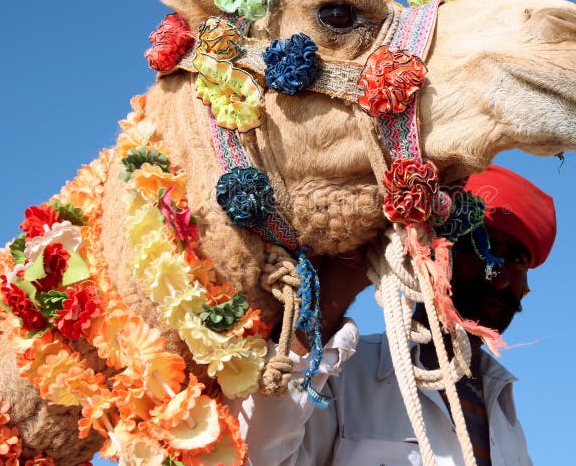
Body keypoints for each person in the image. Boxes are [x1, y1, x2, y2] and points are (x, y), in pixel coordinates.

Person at [237, 165, 557, 466]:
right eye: (479, 246)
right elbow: (258, 454)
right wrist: (339, 285)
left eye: (516, 260)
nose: (499, 277)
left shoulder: (506, 418)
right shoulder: (341, 375)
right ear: (429, 251)